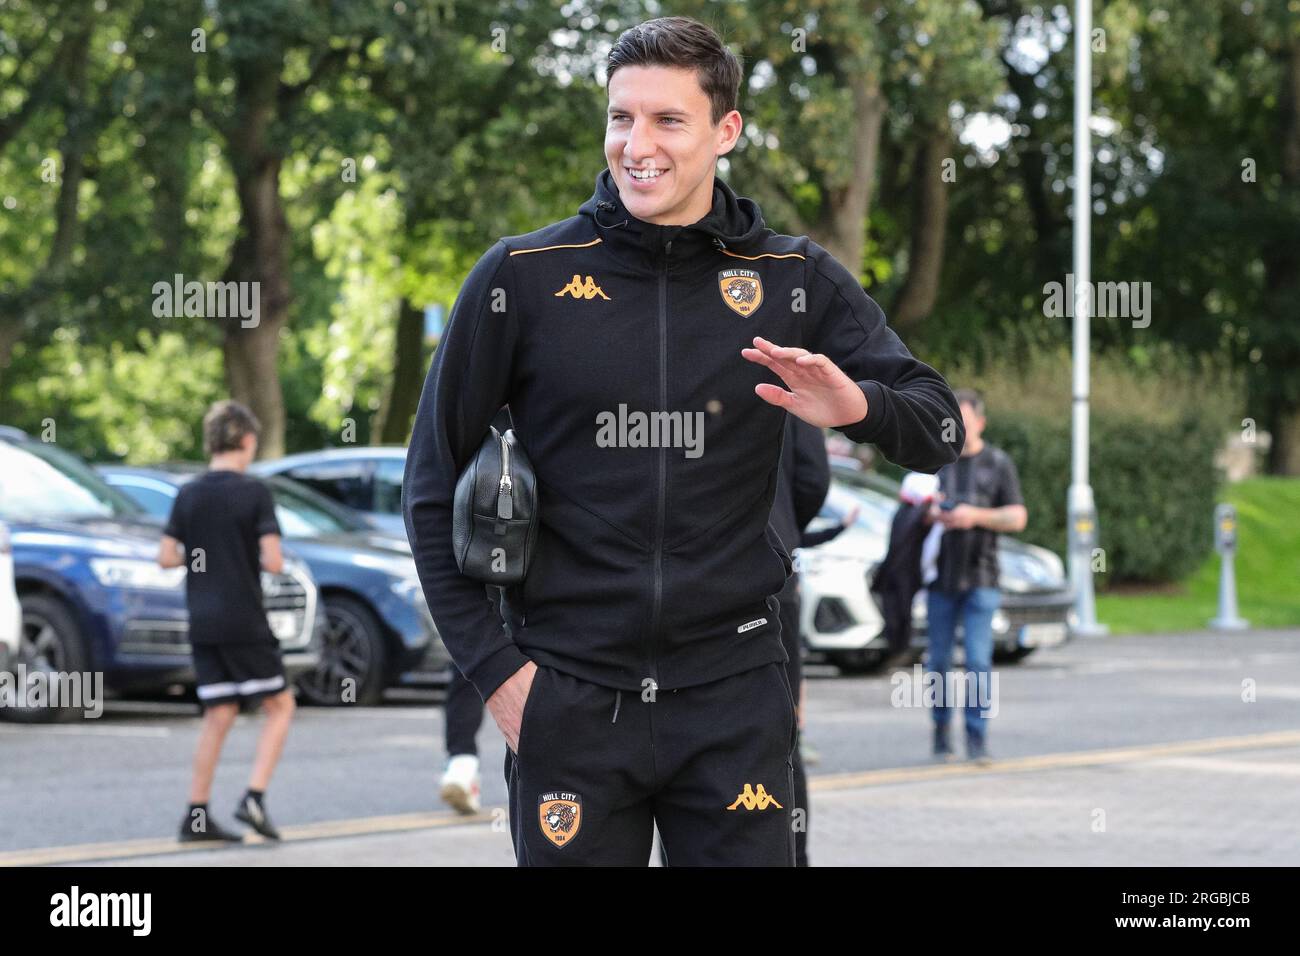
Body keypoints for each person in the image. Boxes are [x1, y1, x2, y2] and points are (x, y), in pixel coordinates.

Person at [403, 16, 963, 866]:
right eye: (622, 117)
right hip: (571, 698)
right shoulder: (523, 277)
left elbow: (941, 426)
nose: (638, 145)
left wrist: (860, 408)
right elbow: (429, 487)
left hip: (734, 698)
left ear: (725, 131)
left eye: (668, 120)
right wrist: (502, 679)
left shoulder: (793, 278)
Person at [158, 400, 297, 842]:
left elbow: (165, 556)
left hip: (202, 622)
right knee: (280, 705)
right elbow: (273, 561)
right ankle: (253, 797)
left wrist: (202, 553)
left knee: (218, 713)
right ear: (248, 441)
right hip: (244, 620)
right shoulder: (254, 493)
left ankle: (195, 814)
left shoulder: (188, 493)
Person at [923, 389, 1027, 764]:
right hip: (941, 580)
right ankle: (940, 732)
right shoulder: (938, 462)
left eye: (966, 422)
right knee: (938, 662)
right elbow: (914, 511)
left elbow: (1017, 516)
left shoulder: (998, 464)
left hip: (982, 578)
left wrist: (974, 516)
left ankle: (977, 737)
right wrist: (934, 515)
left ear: (981, 422)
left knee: (979, 662)